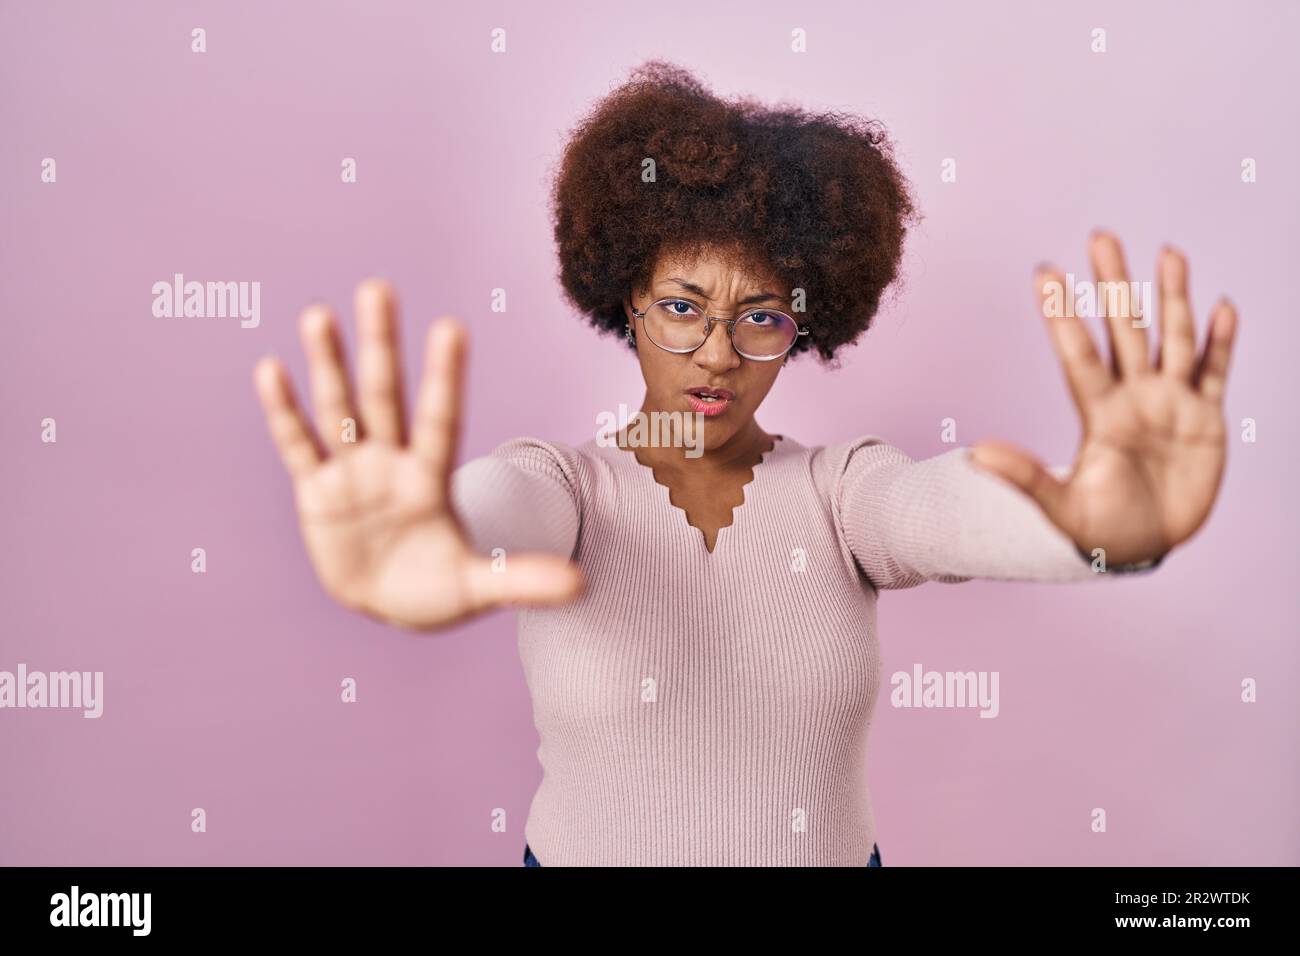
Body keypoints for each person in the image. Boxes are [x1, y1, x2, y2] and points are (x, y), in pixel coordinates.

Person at [252, 62, 1238, 867]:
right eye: (682, 306)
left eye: (760, 316)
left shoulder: (842, 491)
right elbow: (492, 512)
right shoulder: (564, 487)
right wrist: (423, 540)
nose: (718, 353)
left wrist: (1101, 535)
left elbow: (940, 507)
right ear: (624, 299)